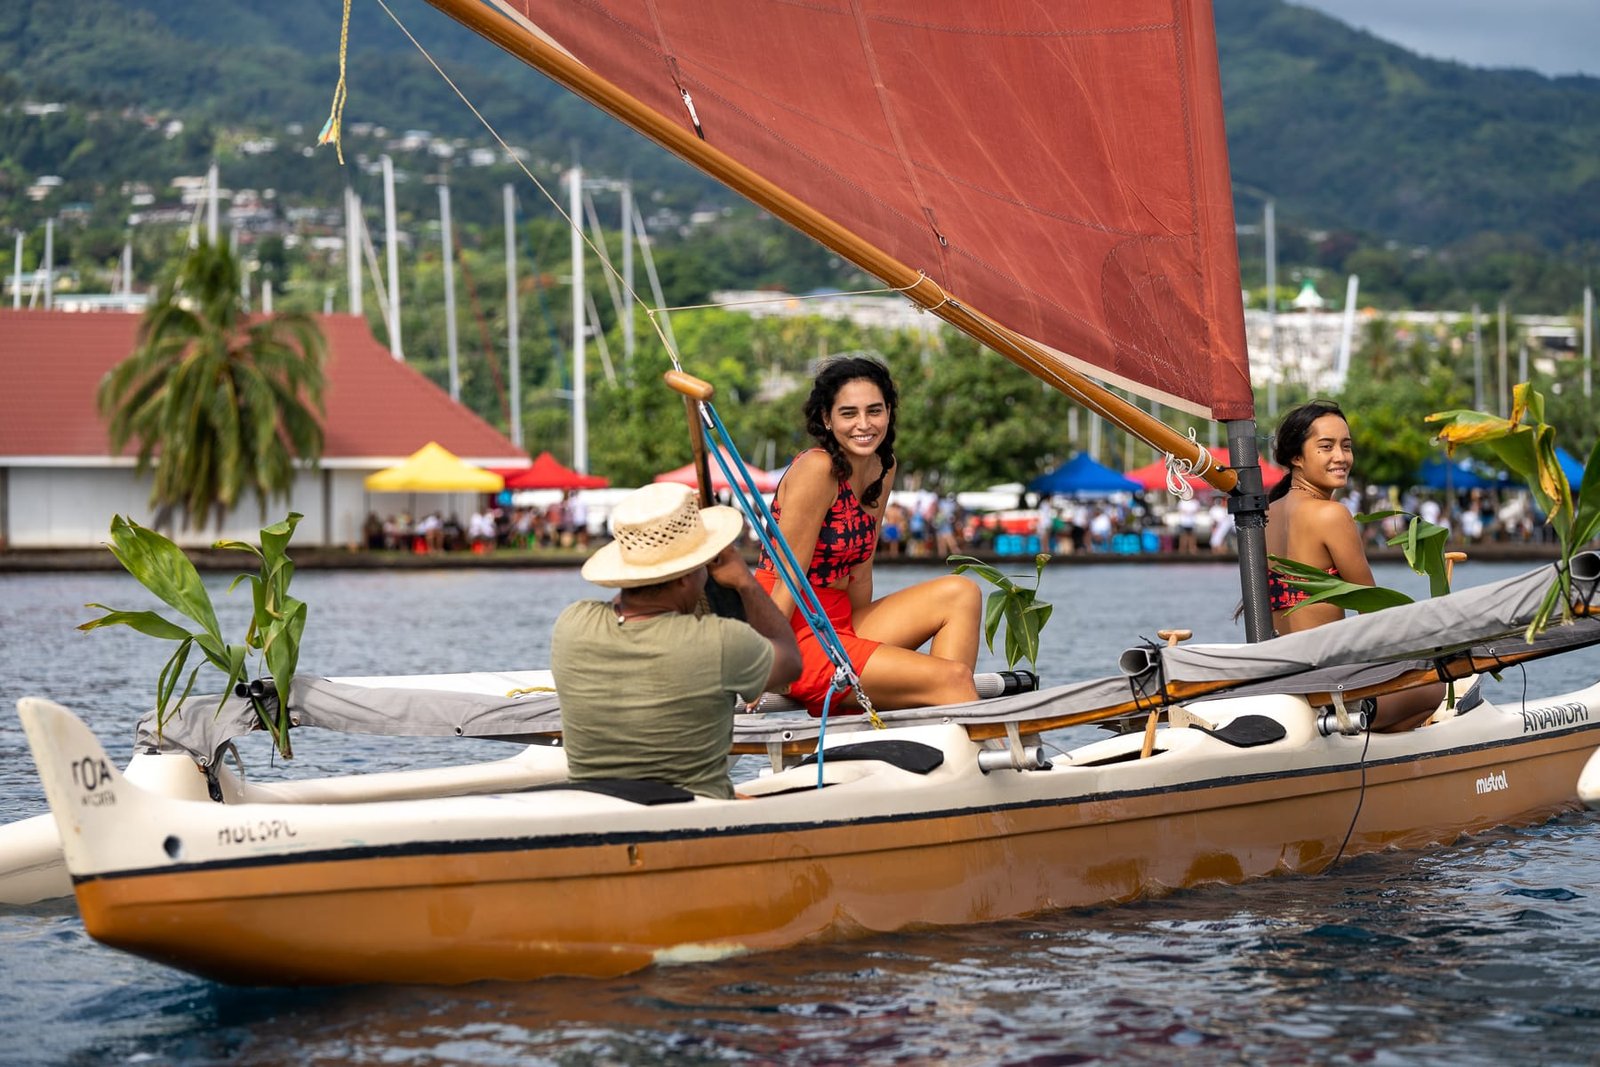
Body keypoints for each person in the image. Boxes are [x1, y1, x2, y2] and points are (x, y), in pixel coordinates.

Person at [756, 356, 983, 714]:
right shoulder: (817, 469)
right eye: (848, 414)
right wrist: (760, 661)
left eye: (874, 411)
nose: (864, 424)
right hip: (795, 628)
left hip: (841, 619)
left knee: (961, 592)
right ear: (827, 419)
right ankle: (977, 750)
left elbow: (861, 570)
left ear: (889, 412)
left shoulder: (883, 466)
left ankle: (941, 735)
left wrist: (866, 649)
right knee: (951, 677)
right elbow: (788, 577)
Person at [551, 483, 801, 800]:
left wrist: (648, 567)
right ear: (686, 576)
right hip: (696, 813)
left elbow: (631, 601)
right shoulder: (720, 640)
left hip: (598, 804)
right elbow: (790, 661)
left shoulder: (572, 623)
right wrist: (745, 583)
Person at [1265, 400, 1444, 732]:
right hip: (1326, 688)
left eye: (1346, 446)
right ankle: (1365, 740)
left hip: (1282, 681)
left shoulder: (1267, 515)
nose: (1341, 457)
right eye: (1326, 446)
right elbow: (1372, 610)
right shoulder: (1331, 514)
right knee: (1435, 686)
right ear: (1296, 457)